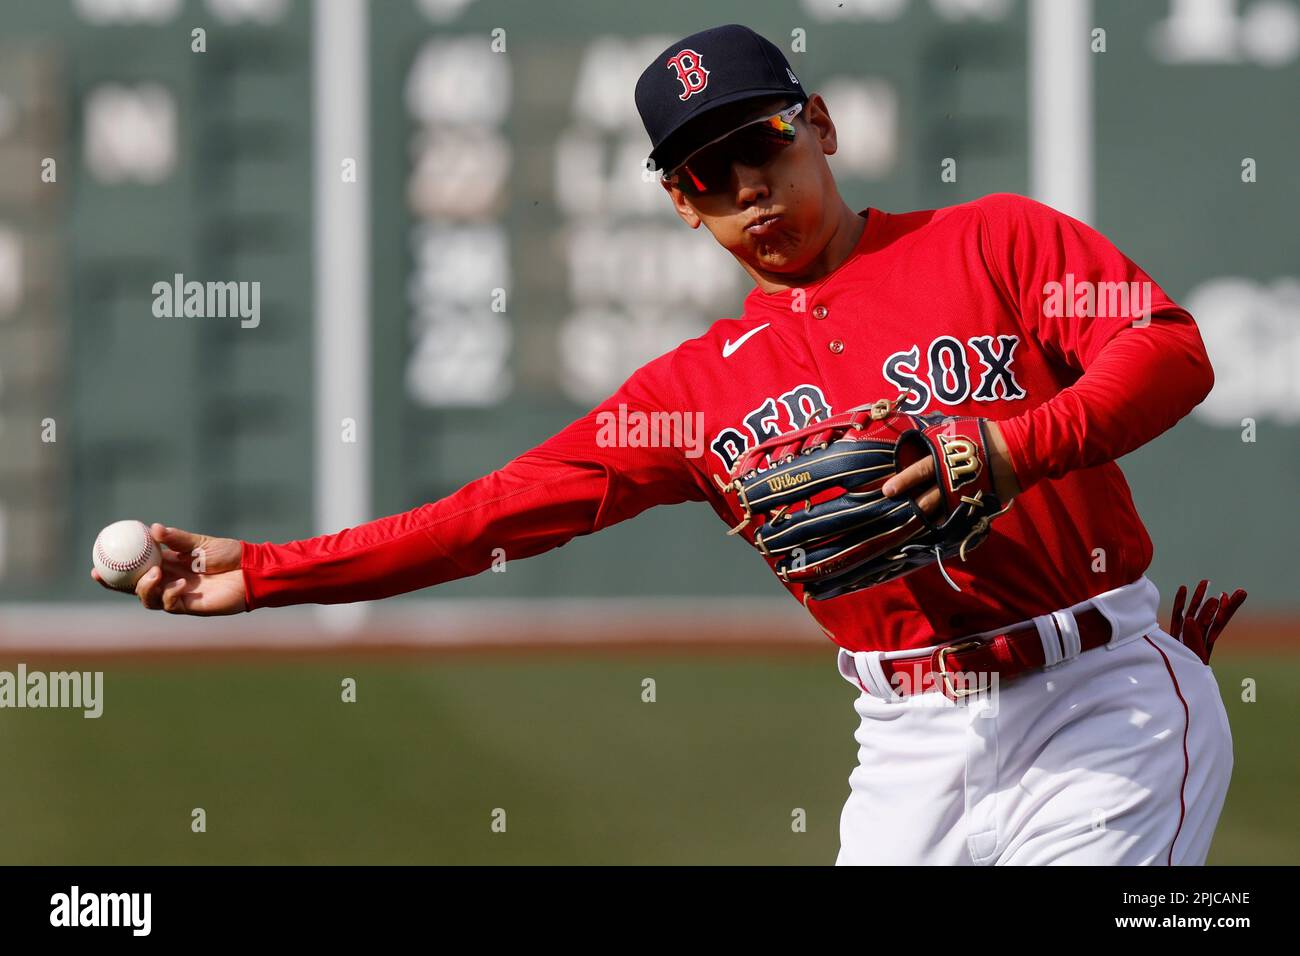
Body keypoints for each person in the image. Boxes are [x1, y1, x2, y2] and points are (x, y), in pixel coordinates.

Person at [93, 24, 1247, 865]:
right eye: (708, 172)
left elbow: (1165, 351)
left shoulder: (987, 239)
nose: (751, 186)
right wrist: (273, 572)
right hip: (910, 745)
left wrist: (1010, 449)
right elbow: (491, 513)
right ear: (681, 204)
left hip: (1100, 702)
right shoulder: (689, 396)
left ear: (822, 127)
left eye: (763, 143)